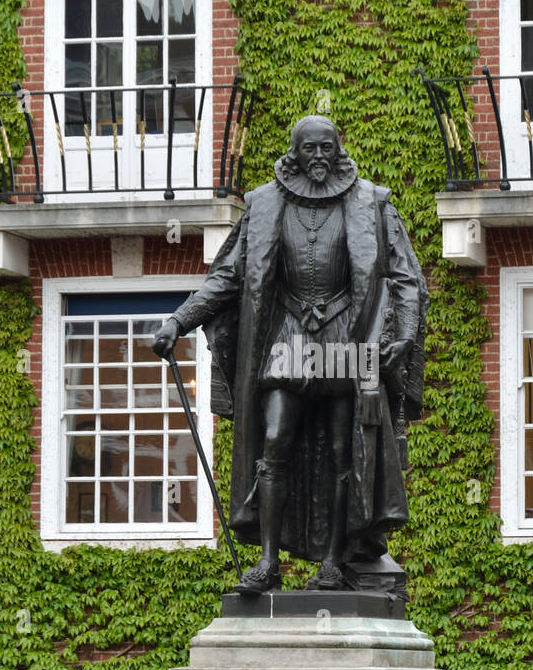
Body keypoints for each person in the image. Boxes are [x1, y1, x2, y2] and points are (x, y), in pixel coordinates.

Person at [152, 115, 428, 594]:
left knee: (347, 450)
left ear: (338, 150)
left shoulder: (372, 202)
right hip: (287, 337)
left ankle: (333, 561)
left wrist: (402, 333)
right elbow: (228, 277)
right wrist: (179, 319)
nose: (318, 157)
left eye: (327, 148)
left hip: (349, 338)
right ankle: (268, 561)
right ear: (295, 153)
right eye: (309, 149)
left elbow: (406, 279)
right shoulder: (262, 204)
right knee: (275, 439)